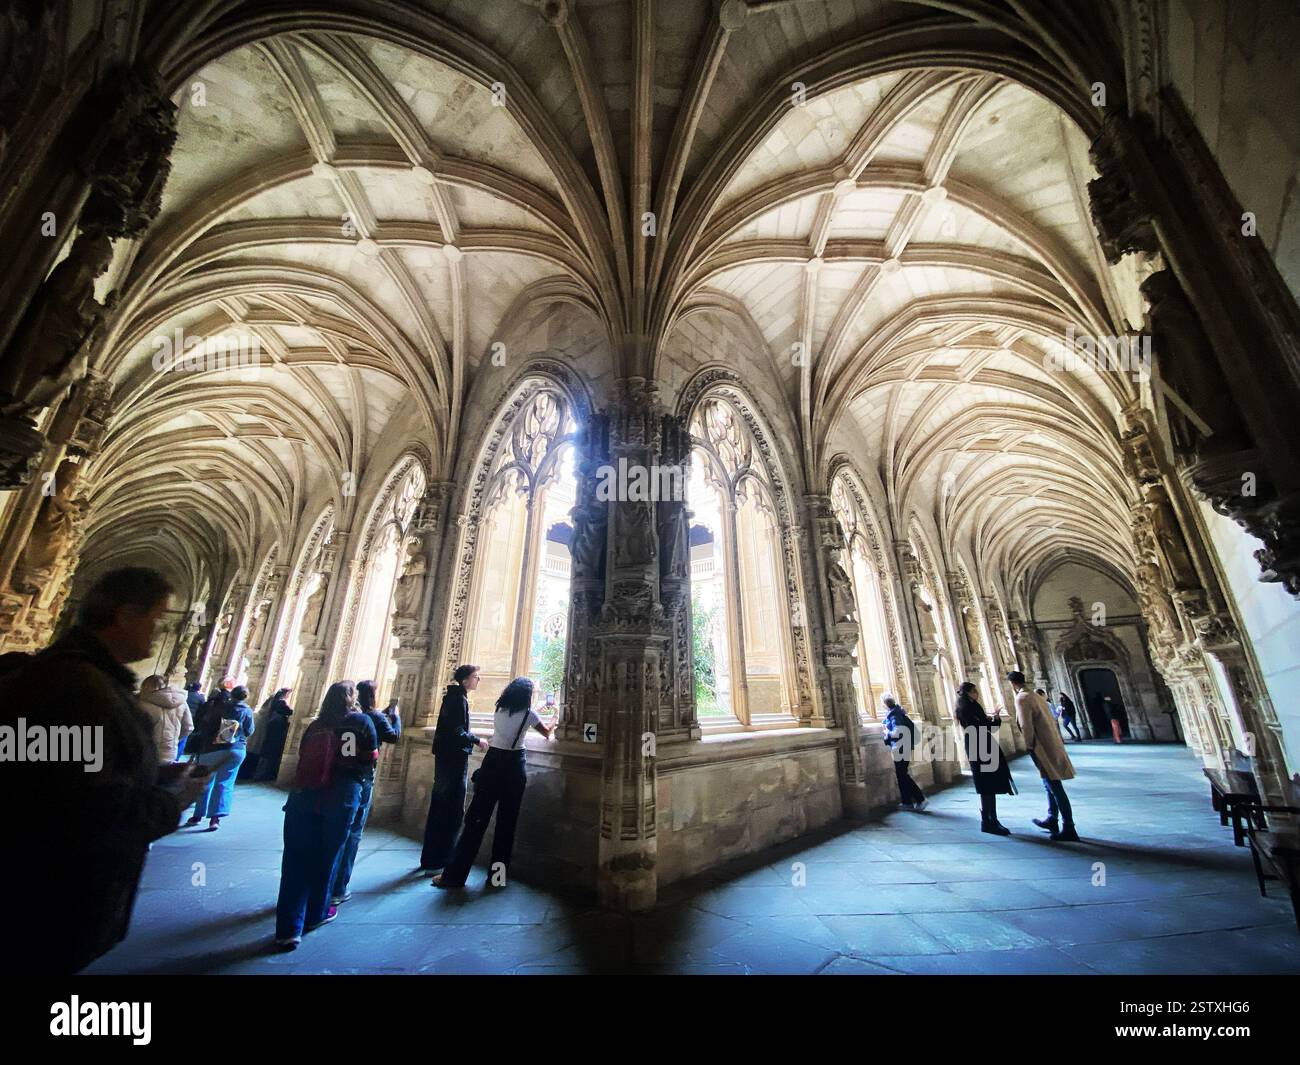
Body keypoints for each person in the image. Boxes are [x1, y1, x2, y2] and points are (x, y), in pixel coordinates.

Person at [0, 567, 209, 974]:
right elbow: (85, 812)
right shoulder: (76, 688)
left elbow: (72, 778)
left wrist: (156, 777)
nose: (159, 631)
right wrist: (171, 801)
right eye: (155, 618)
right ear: (125, 615)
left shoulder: (83, 679)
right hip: (43, 903)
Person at [274, 680, 376, 949]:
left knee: (295, 861)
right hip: (339, 797)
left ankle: (288, 928)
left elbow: (303, 755)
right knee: (327, 857)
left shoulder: (316, 725)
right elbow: (366, 757)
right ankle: (316, 914)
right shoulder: (359, 722)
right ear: (350, 698)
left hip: (304, 797)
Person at [434, 677, 555, 889]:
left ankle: (453, 876)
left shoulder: (499, 709)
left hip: (492, 764)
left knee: (475, 821)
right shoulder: (530, 715)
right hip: (514, 767)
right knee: (506, 826)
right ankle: (497, 878)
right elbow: (546, 733)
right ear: (528, 695)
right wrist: (554, 717)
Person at [330, 680, 401, 905]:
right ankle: (337, 888)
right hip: (358, 778)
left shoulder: (328, 721)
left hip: (330, 778)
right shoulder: (367, 719)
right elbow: (388, 740)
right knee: (351, 831)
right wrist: (395, 717)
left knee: (332, 829)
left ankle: (323, 884)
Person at [420, 664, 489, 872]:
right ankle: (441, 859)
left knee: (440, 806)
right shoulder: (458, 699)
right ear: (466, 680)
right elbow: (457, 732)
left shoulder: (453, 697)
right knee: (451, 810)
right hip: (454, 761)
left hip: (445, 759)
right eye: (476, 676)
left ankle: (431, 858)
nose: (479, 680)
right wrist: (477, 740)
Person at [1010, 671, 1080, 841]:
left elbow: (1026, 725)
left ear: (1012, 683)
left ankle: (1069, 826)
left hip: (1040, 745)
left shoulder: (1022, 698)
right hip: (1051, 743)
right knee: (1048, 782)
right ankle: (1052, 818)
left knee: (1053, 784)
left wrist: (1028, 745)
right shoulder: (1036, 696)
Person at [184, 684, 254, 830]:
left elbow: (205, 726)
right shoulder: (247, 711)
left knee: (204, 781)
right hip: (236, 749)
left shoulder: (218, 707)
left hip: (211, 749)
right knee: (225, 783)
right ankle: (215, 819)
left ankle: (197, 815)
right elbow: (249, 731)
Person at [953, 680, 1016, 835]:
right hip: (980, 746)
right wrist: (992, 719)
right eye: (975, 691)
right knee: (986, 784)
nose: (977, 693)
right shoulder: (966, 708)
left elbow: (985, 726)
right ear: (968, 693)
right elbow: (981, 727)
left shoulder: (972, 706)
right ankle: (989, 821)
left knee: (988, 784)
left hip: (982, 744)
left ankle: (990, 820)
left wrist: (994, 718)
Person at [881, 692, 926, 811]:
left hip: (900, 747)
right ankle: (907, 802)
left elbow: (898, 732)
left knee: (902, 775)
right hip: (904, 746)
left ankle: (920, 799)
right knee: (902, 775)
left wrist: (887, 733)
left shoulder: (894, 715)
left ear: (885, 704)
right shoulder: (898, 712)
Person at [137, 673, 193, 764]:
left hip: (146, 754)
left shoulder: (141, 704)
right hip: (170, 753)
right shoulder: (181, 703)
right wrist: (172, 741)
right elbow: (189, 727)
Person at [252, 688, 294, 782]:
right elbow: (289, 712)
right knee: (270, 752)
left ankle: (260, 773)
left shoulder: (274, 702)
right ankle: (263, 774)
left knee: (266, 752)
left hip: (271, 728)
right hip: (276, 729)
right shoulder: (281, 703)